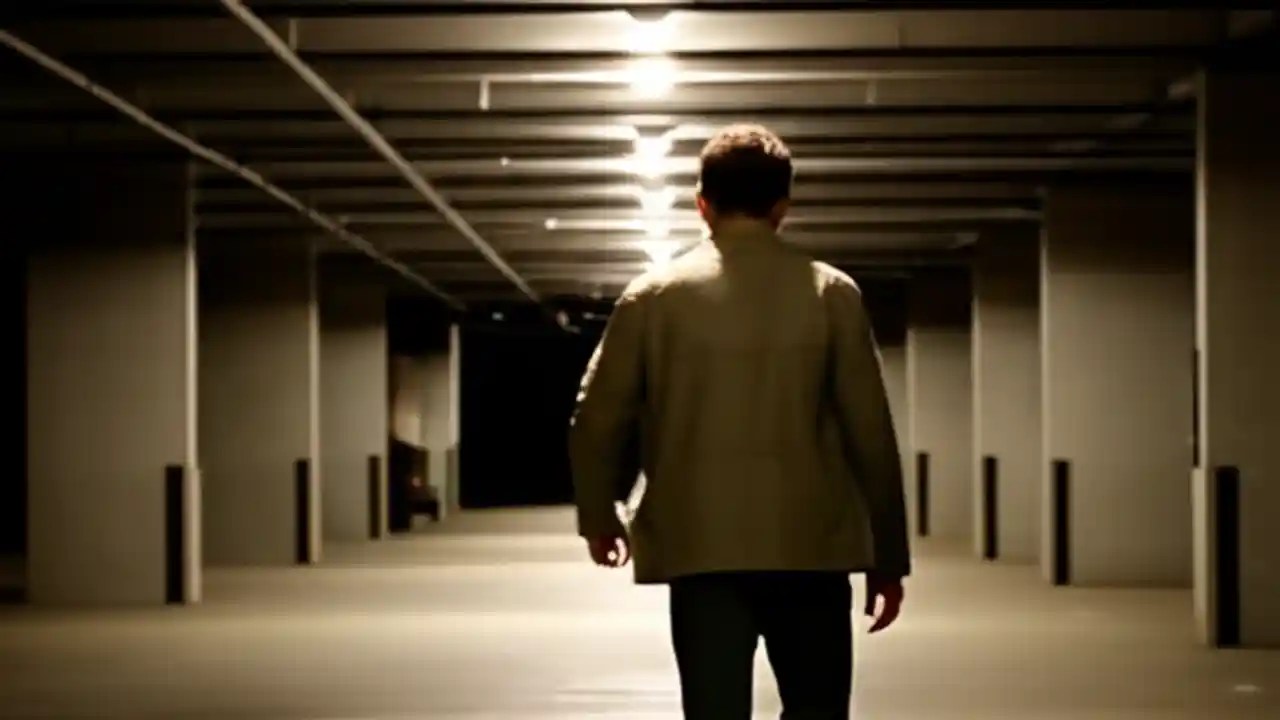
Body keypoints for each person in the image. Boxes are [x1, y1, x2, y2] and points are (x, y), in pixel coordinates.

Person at [568, 124, 910, 720]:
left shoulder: (652, 297)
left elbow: (595, 420)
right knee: (817, 709)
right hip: (812, 549)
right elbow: (871, 434)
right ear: (783, 206)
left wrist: (601, 516)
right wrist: (888, 557)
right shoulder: (832, 294)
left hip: (701, 548)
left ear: (702, 204)